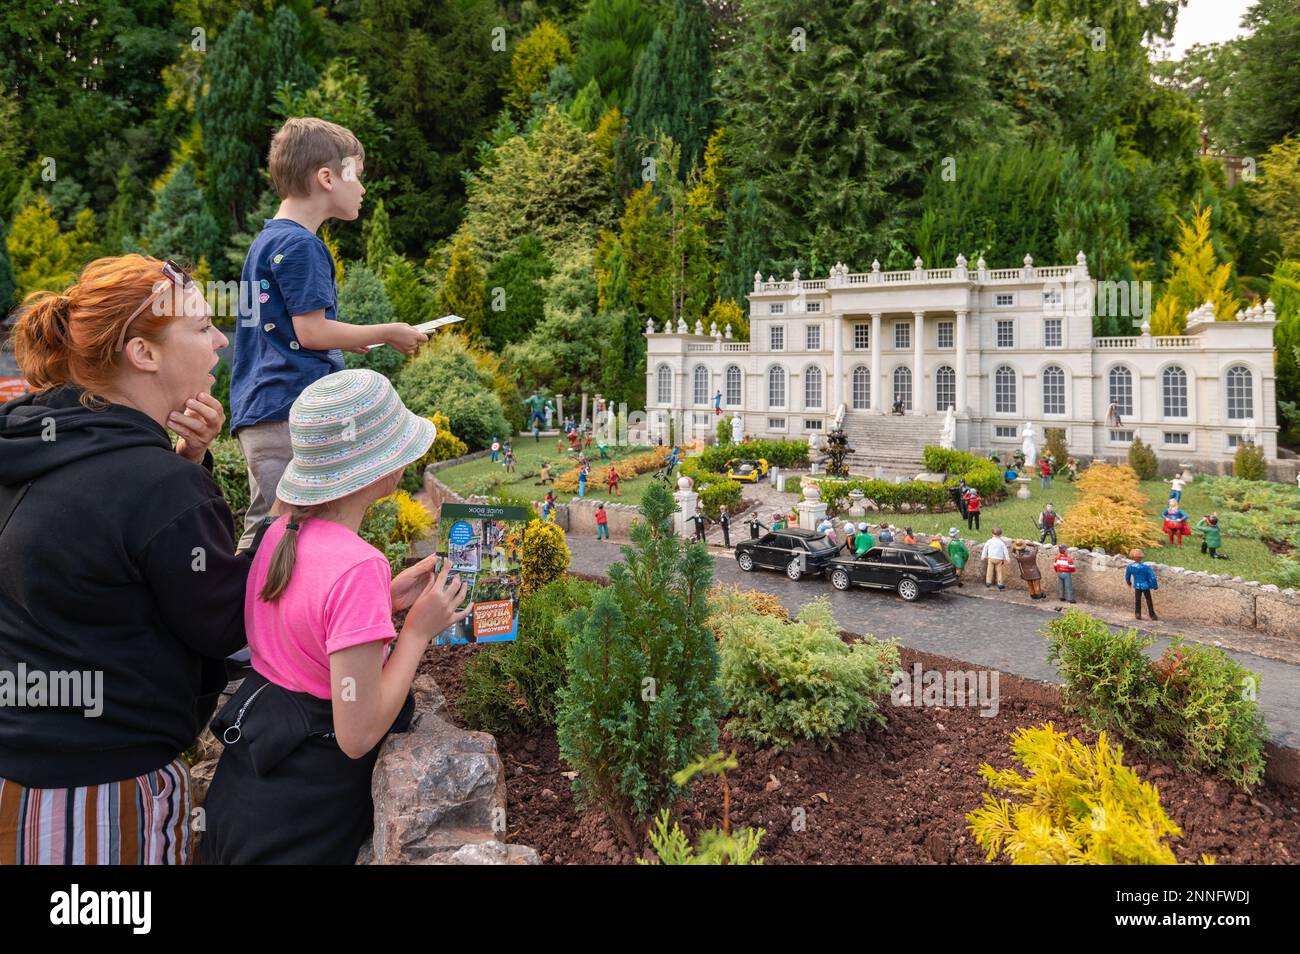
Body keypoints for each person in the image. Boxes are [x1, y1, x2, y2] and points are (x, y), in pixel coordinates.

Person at [0, 255, 250, 864]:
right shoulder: (154, 485)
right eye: (199, 326)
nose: (220, 338)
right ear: (143, 354)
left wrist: (187, 462)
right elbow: (225, 621)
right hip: (98, 798)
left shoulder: (29, 443)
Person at [202, 370, 470, 864]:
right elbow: (358, 733)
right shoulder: (358, 564)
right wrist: (416, 631)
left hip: (244, 794)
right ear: (384, 471)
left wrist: (383, 603)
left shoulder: (278, 531)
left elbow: (303, 627)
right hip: (304, 818)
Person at [229, 118, 428, 552]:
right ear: (326, 177)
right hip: (289, 413)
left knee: (277, 526)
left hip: (263, 406)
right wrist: (390, 332)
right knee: (275, 529)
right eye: (356, 175)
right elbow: (311, 330)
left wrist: (348, 337)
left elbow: (289, 331)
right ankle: (238, 614)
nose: (361, 189)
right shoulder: (302, 246)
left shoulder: (267, 242)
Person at [1125, 549, 1159, 621]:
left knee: (1137, 600)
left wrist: (1129, 583)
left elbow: (1127, 576)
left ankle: (1138, 614)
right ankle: (1152, 614)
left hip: (1137, 586)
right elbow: (1153, 577)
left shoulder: (1130, 567)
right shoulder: (1146, 567)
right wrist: (1155, 586)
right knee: (1148, 600)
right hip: (1146, 586)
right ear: (1141, 557)